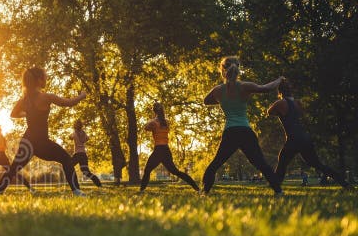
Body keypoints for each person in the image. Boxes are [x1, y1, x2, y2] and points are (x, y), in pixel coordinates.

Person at [0, 67, 85, 196]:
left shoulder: (24, 100)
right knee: (66, 159)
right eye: (45, 77)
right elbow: (68, 103)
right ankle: (76, 191)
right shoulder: (46, 97)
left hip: (27, 141)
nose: (46, 80)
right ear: (39, 80)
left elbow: (13, 114)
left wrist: (27, 113)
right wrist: (82, 96)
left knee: (14, 167)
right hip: (42, 143)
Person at [202, 56, 284, 196]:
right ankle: (278, 191)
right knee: (260, 163)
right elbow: (266, 88)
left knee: (216, 163)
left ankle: (204, 191)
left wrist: (223, 100)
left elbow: (206, 101)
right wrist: (279, 80)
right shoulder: (245, 86)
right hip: (245, 131)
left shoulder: (217, 90)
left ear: (222, 70)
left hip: (230, 132)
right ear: (238, 69)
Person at [267, 79, 352, 189]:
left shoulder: (280, 103)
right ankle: (344, 183)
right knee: (317, 164)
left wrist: (280, 112)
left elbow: (269, 112)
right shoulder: (298, 103)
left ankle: (276, 186)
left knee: (282, 162)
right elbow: (301, 115)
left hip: (293, 138)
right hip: (304, 137)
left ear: (280, 91)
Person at [139, 103, 199, 192]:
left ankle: (141, 190)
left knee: (147, 170)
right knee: (175, 171)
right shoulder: (166, 122)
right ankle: (196, 187)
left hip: (158, 150)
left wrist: (152, 118)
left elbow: (146, 128)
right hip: (166, 150)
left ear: (154, 111)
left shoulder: (154, 122)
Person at [0, 125, 33, 192]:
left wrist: (0, 148)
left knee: (13, 171)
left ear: (0, 130)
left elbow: (5, 147)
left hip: (2, 156)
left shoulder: (3, 138)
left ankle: (29, 186)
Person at [70, 119, 103, 187]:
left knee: (69, 166)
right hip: (83, 154)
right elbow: (87, 138)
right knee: (86, 172)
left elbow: (70, 137)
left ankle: (74, 183)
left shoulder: (74, 133)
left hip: (77, 154)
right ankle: (98, 184)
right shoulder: (84, 133)